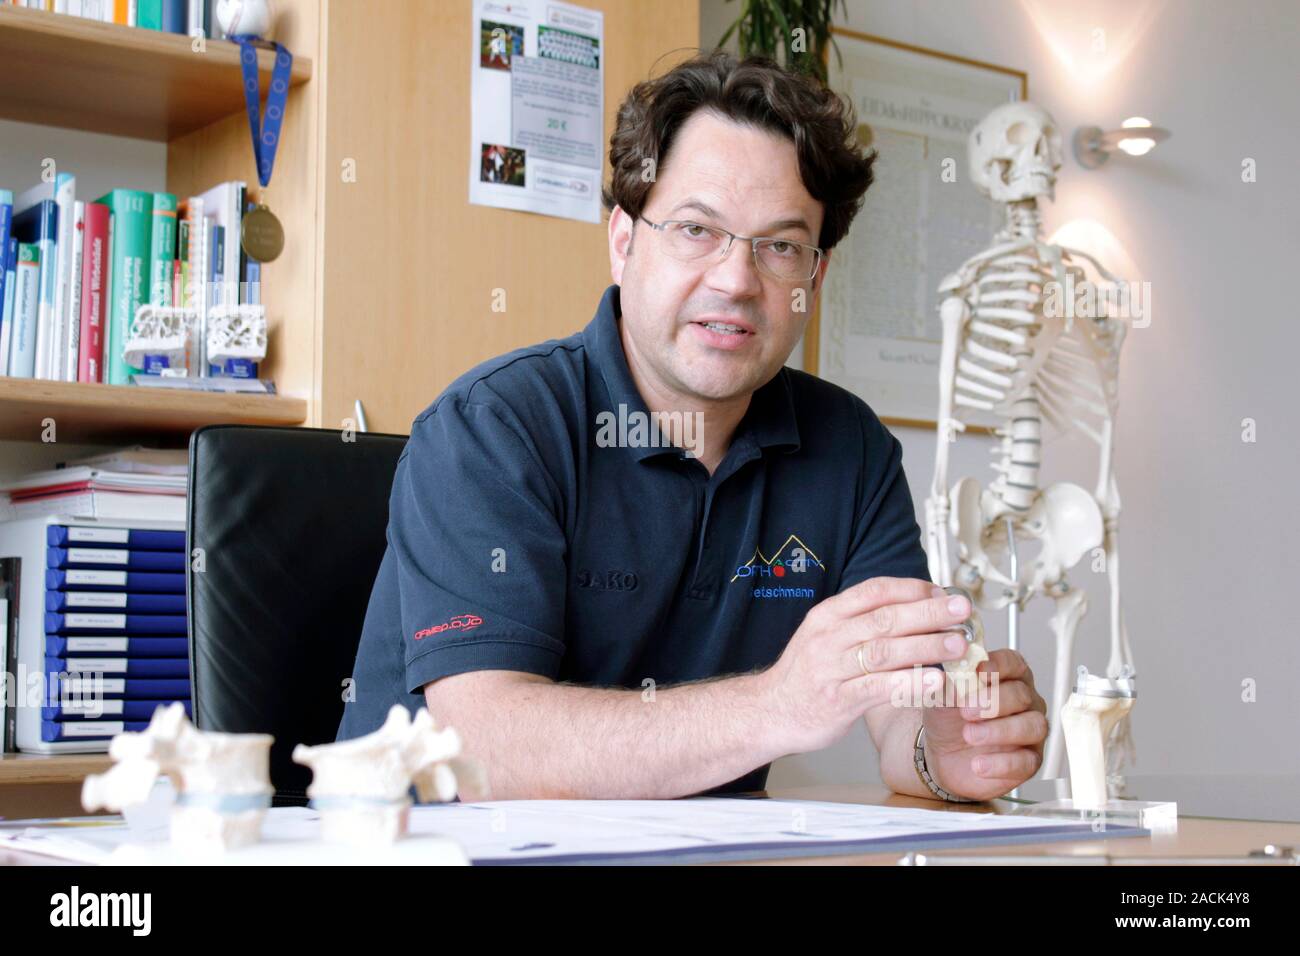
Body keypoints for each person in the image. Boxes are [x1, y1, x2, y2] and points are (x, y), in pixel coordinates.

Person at [337, 50, 1047, 801]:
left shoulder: (852, 450)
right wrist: (779, 704)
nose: (736, 281)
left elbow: (898, 716)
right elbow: (483, 744)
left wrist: (947, 750)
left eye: (780, 246)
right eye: (696, 230)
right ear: (623, 240)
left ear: (814, 277)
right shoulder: (491, 429)